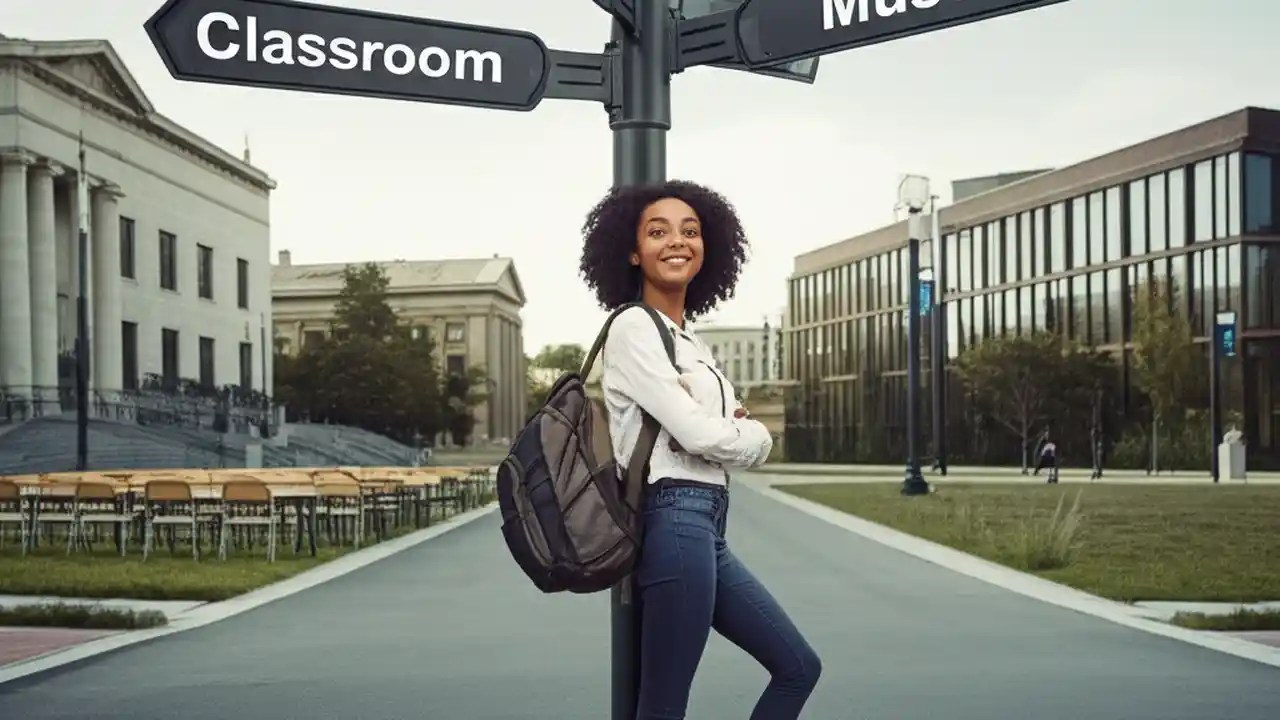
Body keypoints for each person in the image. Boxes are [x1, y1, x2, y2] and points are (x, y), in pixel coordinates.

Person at [580, 180, 822, 720]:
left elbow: (725, 429)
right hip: (674, 518)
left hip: (708, 526)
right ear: (632, 249)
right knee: (664, 707)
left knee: (798, 667)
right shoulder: (632, 328)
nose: (677, 242)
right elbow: (704, 434)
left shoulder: (691, 344)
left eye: (690, 231)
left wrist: (738, 433)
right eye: (658, 231)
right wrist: (750, 437)